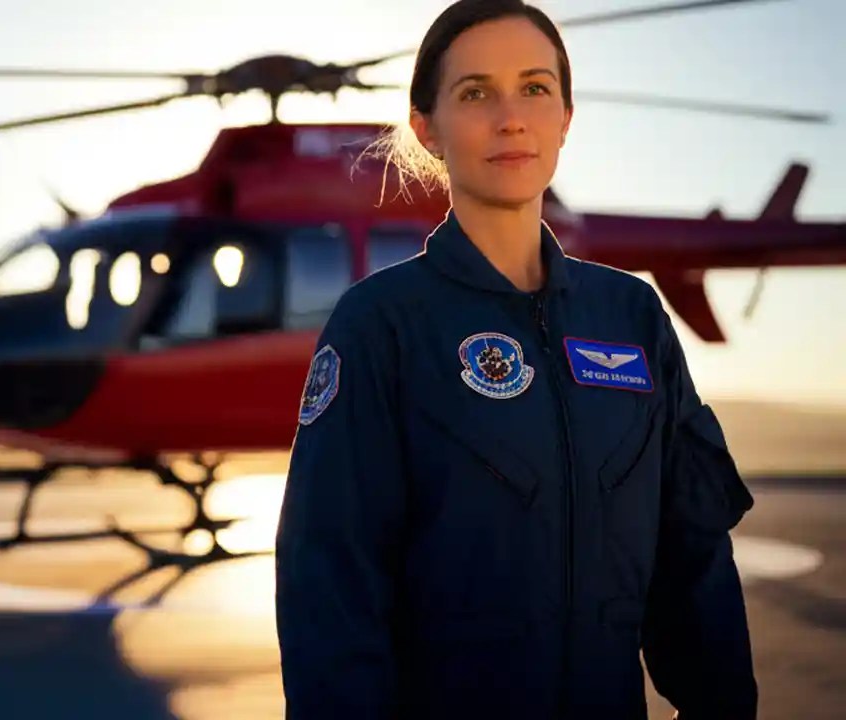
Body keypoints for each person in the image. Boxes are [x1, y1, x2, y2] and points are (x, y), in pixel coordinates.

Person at [273, 1, 758, 718]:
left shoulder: (630, 317)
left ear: (566, 116)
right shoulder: (381, 325)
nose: (511, 118)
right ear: (426, 129)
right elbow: (329, 586)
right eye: (475, 93)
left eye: (535, 87)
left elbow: (694, 556)